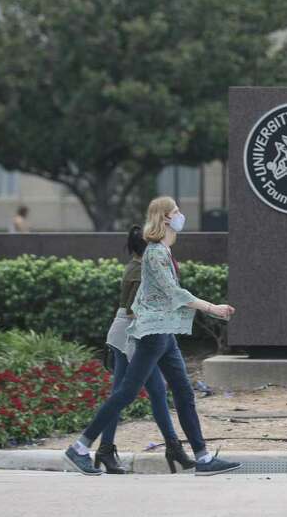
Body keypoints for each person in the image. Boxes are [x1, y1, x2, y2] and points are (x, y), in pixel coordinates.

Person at [64, 196, 240, 477]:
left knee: (183, 391)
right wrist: (212, 308)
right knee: (126, 393)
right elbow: (173, 292)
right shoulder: (156, 253)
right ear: (166, 218)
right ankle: (80, 447)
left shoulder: (164, 252)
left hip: (165, 333)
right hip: (152, 334)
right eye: (177, 211)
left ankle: (203, 459)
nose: (182, 216)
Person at [92, 225, 195, 474]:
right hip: (134, 335)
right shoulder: (140, 271)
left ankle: (107, 450)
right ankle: (172, 449)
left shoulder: (141, 266)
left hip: (131, 333)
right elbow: (133, 311)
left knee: (139, 391)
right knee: (153, 391)